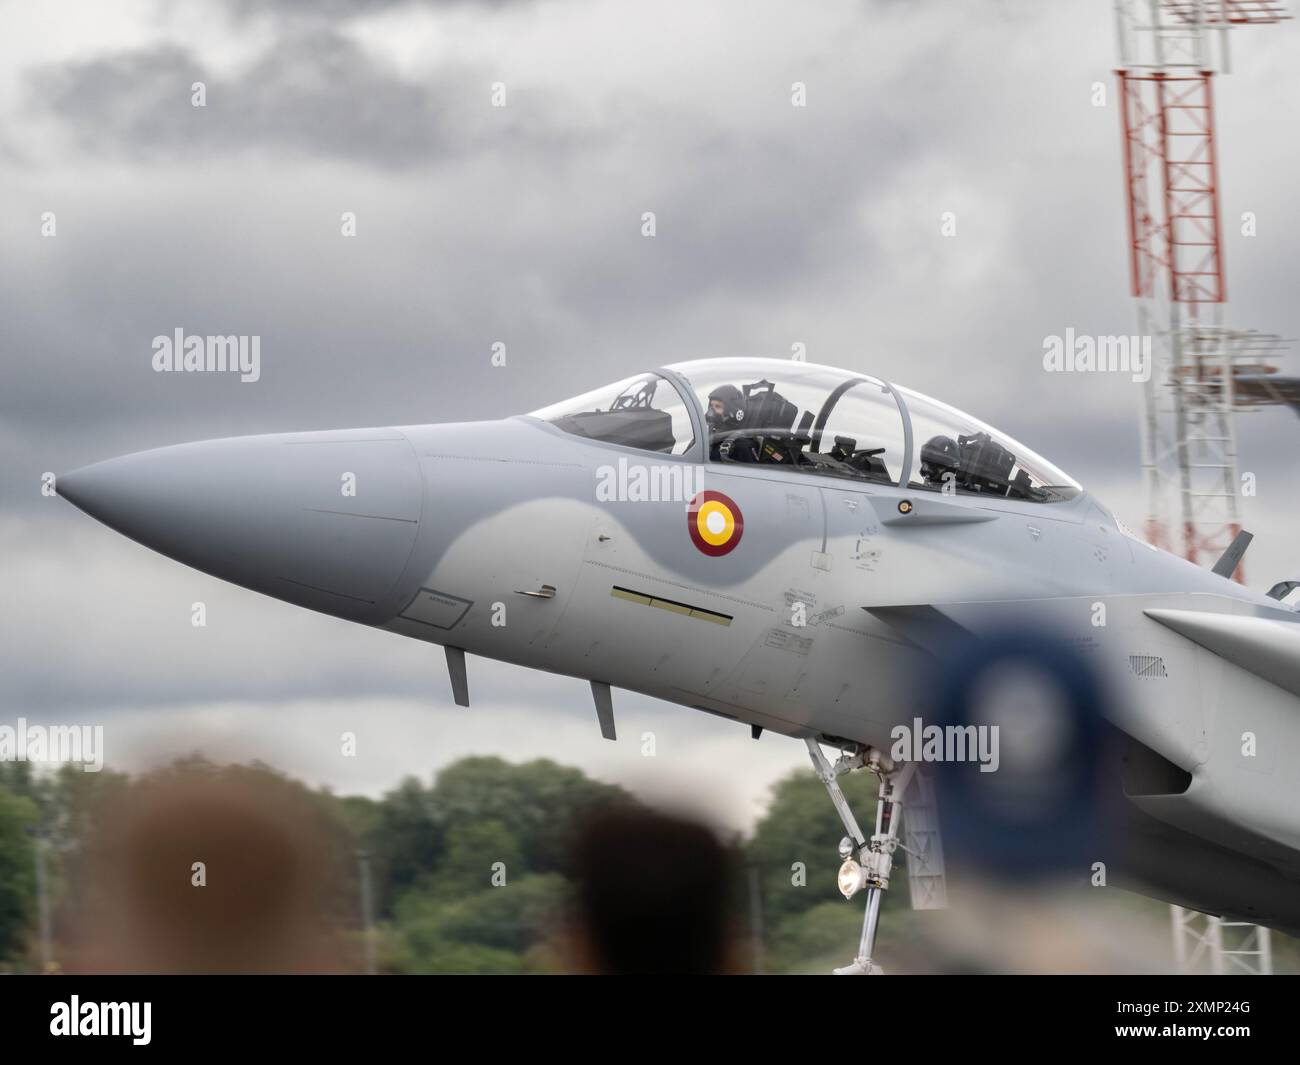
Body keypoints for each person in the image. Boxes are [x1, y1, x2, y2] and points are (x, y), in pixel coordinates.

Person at [706, 384, 757, 462]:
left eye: (718, 406)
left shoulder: (740, 446)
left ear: (734, 412)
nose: (712, 411)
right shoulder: (706, 438)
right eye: (711, 406)